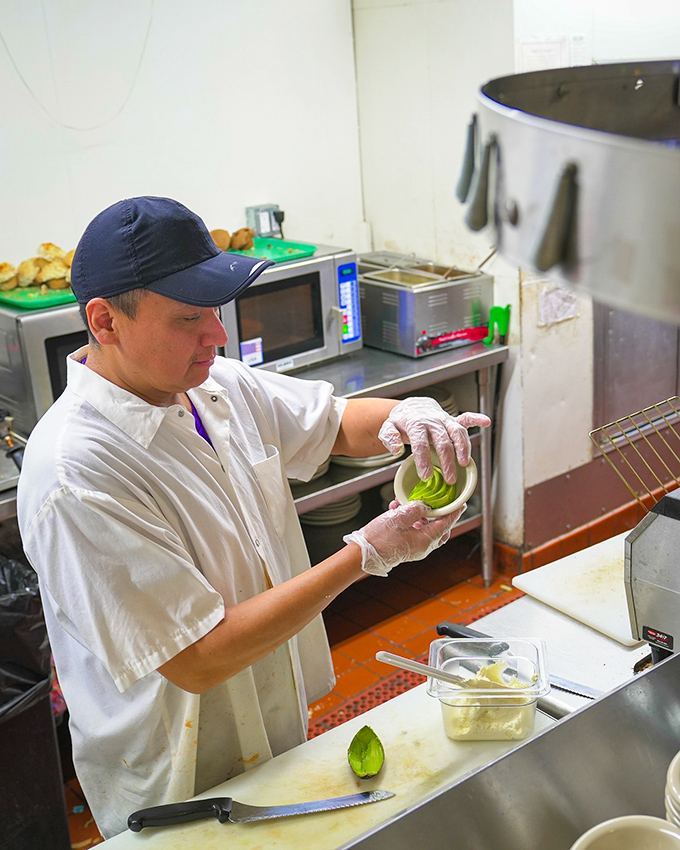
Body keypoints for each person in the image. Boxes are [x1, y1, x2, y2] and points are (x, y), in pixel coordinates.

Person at [16, 196, 490, 838]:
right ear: (105, 321)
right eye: (188, 318)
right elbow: (198, 657)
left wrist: (410, 412)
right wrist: (366, 554)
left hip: (268, 708)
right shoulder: (77, 472)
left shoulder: (213, 387)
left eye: (214, 310)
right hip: (175, 762)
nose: (216, 334)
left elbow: (335, 425)